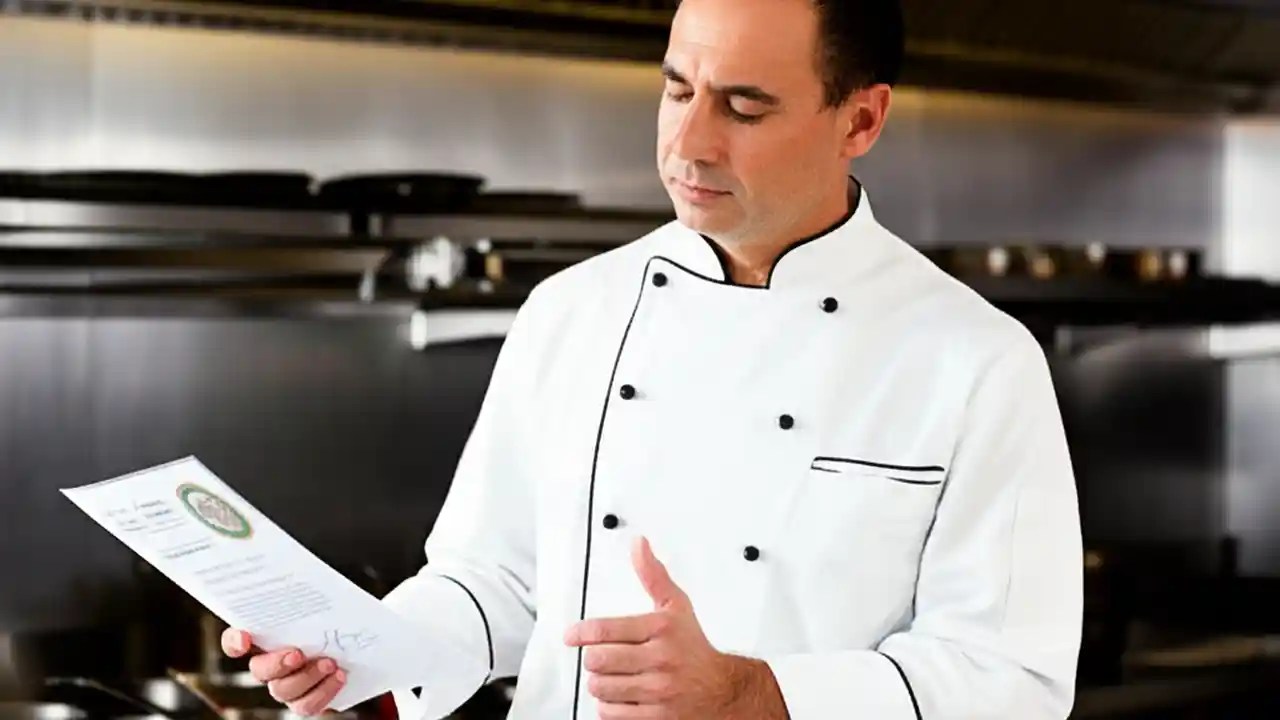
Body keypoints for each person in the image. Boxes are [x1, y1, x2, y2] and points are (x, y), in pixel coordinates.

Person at [222, 0, 1083, 717]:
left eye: (745, 108)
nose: (690, 145)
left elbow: (1012, 681)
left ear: (861, 119)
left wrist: (759, 694)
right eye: (677, 91)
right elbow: (497, 580)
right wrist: (363, 654)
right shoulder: (572, 310)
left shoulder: (976, 362)